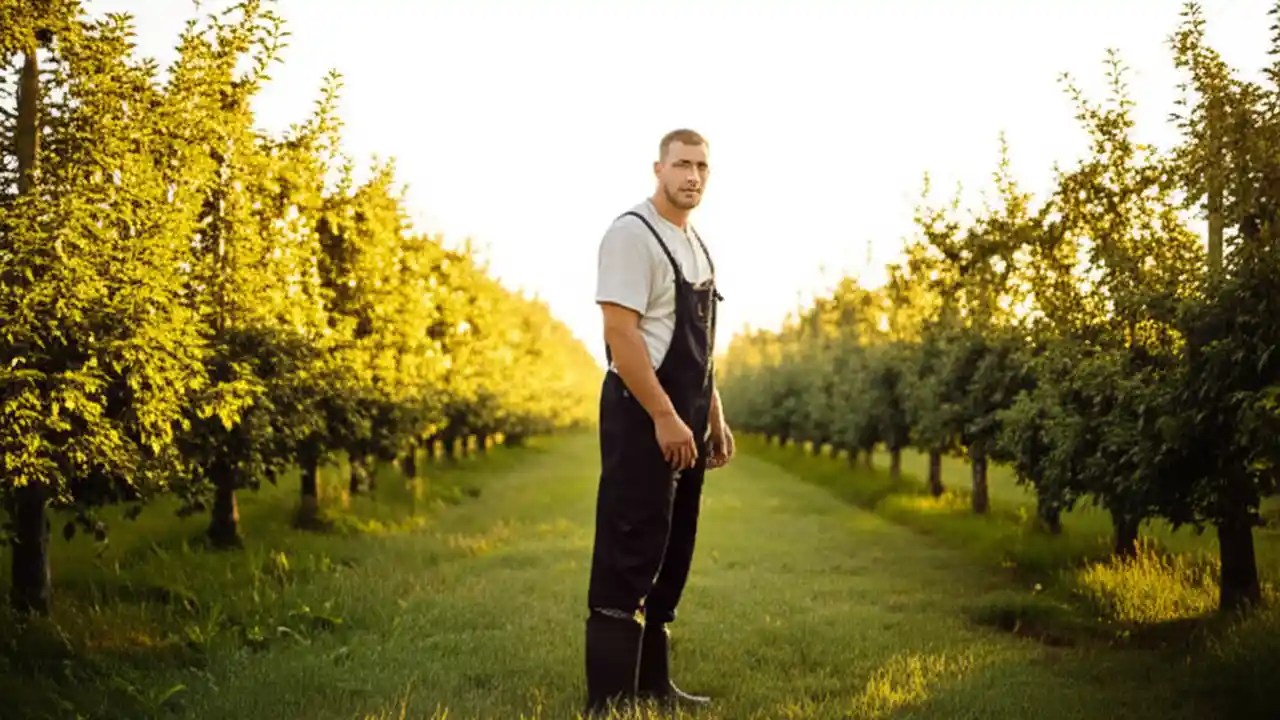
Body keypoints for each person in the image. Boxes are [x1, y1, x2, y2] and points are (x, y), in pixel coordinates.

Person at [583, 128, 735, 717]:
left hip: (687, 417)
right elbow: (621, 336)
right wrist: (667, 416)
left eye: (701, 166)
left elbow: (704, 346)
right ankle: (610, 700)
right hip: (642, 414)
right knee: (630, 544)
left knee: (672, 547)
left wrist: (711, 414)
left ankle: (653, 688)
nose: (692, 176)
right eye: (682, 165)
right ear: (658, 168)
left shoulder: (695, 242)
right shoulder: (632, 235)